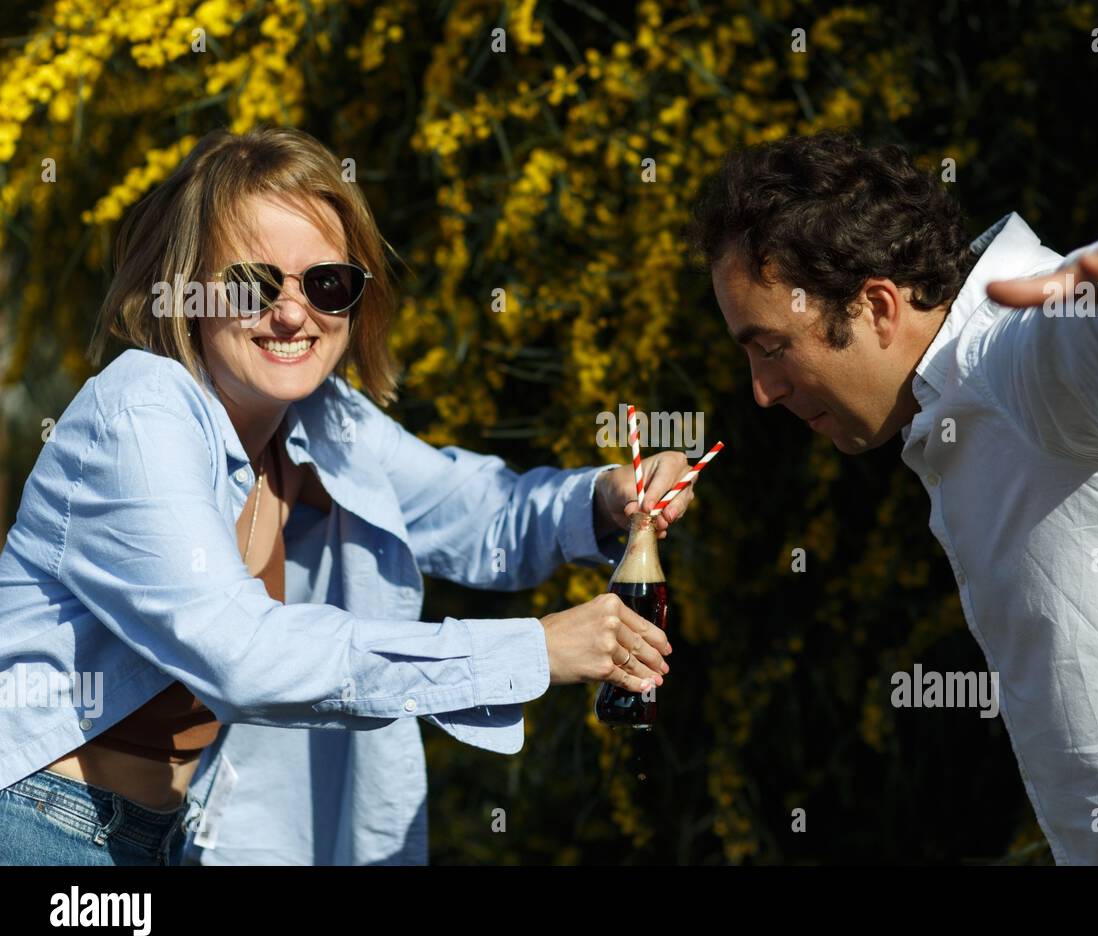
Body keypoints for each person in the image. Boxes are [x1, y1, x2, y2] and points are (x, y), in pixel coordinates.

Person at [0, 126, 692, 865]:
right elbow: (244, 654)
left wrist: (607, 497)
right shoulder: (141, 411)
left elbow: (477, 509)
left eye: (328, 283)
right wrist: (530, 649)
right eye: (252, 284)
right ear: (188, 290)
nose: (293, 314)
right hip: (41, 821)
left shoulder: (323, 419)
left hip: (151, 837)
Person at [689, 129, 1098, 864]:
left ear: (879, 308)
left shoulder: (1015, 356)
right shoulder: (955, 394)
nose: (762, 391)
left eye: (771, 346)